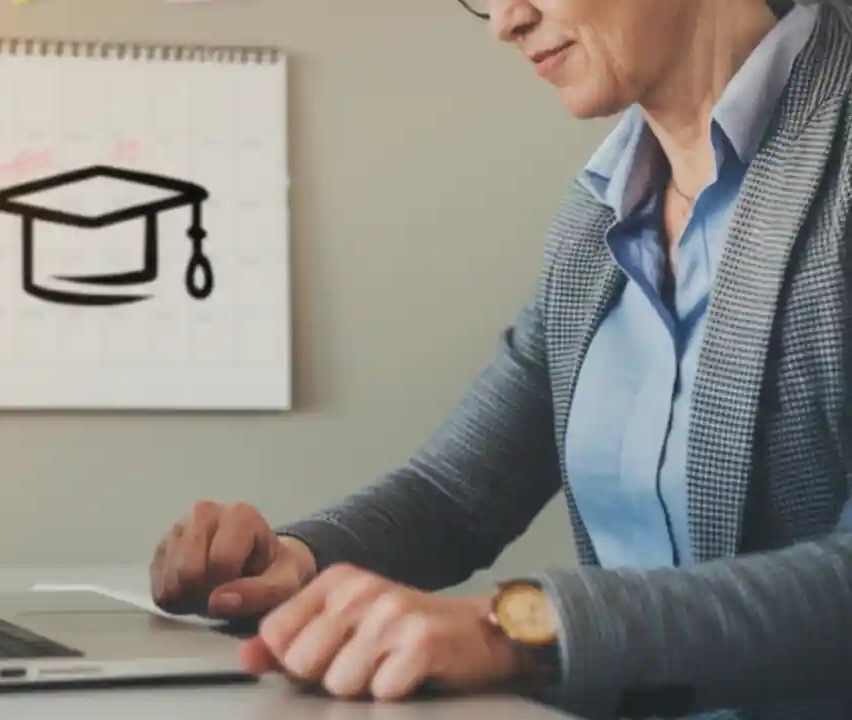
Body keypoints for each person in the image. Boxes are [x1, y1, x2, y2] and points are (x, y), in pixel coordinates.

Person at [148, 1, 852, 718]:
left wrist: (525, 630)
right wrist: (292, 561)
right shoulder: (601, 213)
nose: (506, 20)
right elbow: (455, 496)